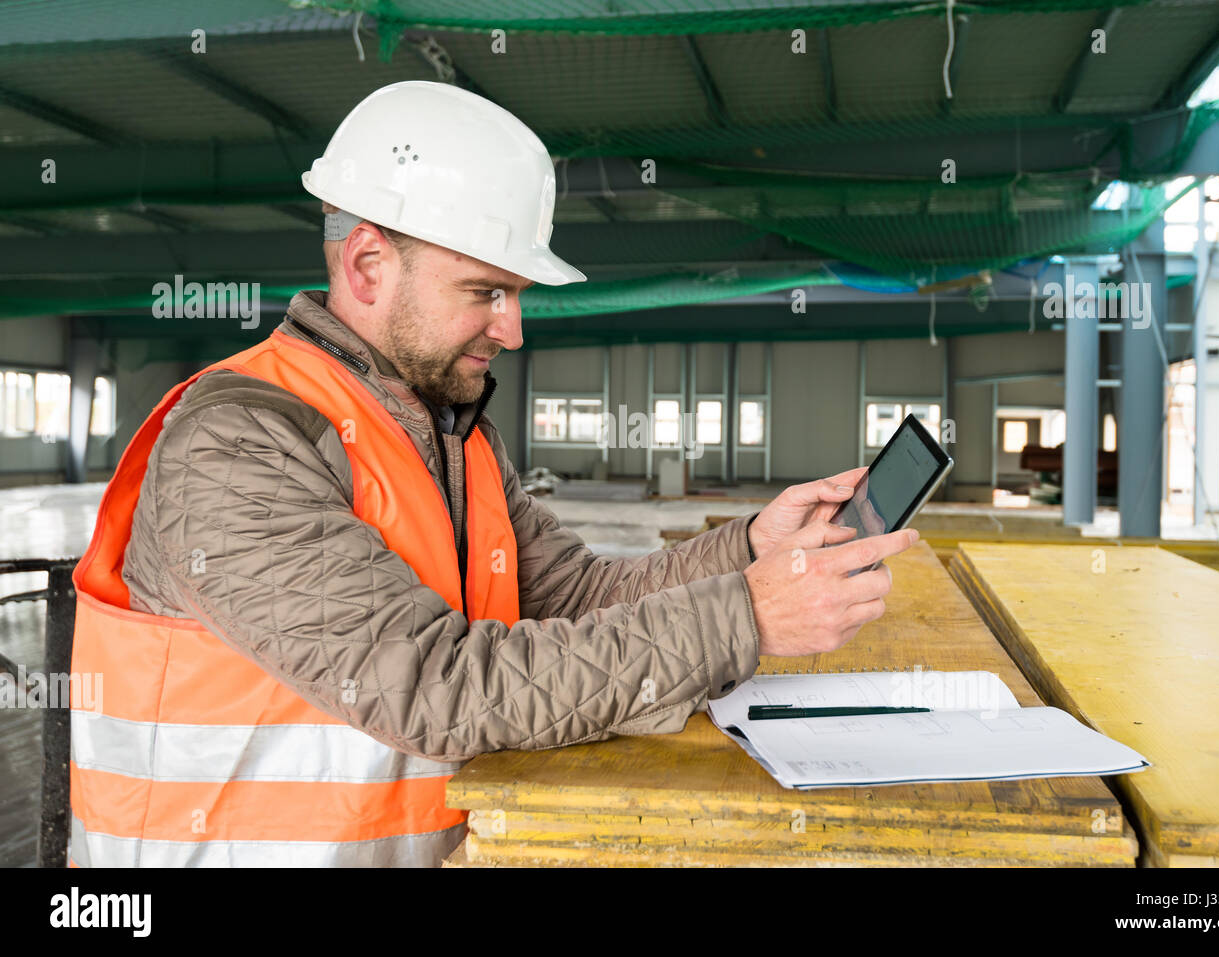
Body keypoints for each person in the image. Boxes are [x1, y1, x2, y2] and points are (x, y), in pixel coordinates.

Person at [68, 81, 917, 867]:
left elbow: (576, 599)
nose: (511, 330)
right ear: (367, 265)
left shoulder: (453, 433)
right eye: (485, 291)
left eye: (515, 294)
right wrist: (747, 613)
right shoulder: (239, 443)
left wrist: (746, 552)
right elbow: (436, 687)